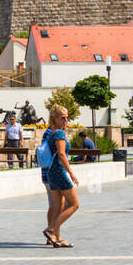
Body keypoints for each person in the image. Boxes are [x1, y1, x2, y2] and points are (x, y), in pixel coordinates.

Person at [40, 106, 80, 248]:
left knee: (57, 207)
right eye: (62, 117)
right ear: (55, 118)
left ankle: (57, 238)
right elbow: (62, 155)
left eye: (67, 117)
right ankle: (51, 230)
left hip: (51, 172)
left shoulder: (51, 133)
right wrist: (71, 172)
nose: (66, 120)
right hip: (59, 171)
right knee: (74, 204)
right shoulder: (59, 134)